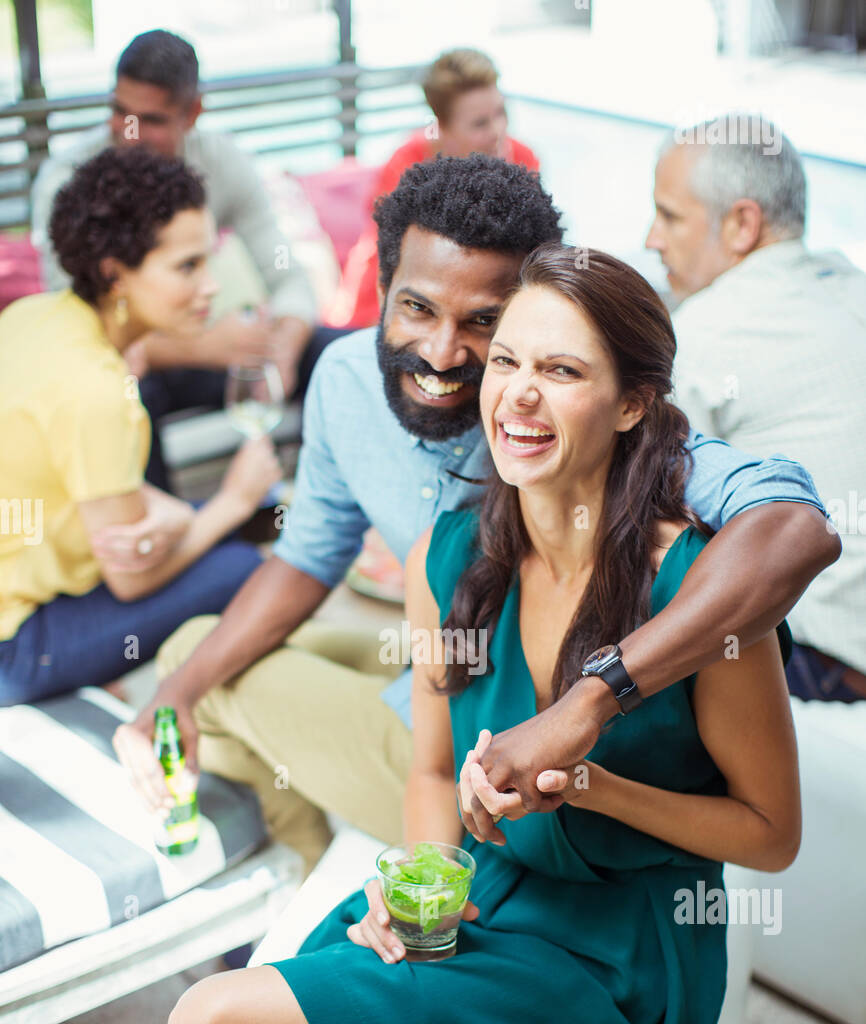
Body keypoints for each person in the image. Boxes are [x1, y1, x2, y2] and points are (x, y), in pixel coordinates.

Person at [161, 246, 801, 1024]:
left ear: (635, 402)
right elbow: (425, 770)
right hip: (478, 900)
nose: (515, 393)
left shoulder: (694, 595)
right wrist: (420, 894)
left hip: (617, 950)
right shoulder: (450, 556)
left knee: (201, 1023)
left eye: (562, 371)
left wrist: (591, 784)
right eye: (506, 361)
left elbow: (767, 833)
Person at [113, 154, 836, 881]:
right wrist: (172, 698)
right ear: (382, 288)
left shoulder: (572, 422)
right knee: (193, 670)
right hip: (447, 680)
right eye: (417, 307)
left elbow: (798, 528)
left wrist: (586, 705)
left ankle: (313, 874)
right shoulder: (347, 382)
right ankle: (307, 868)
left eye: (483, 324)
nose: (440, 351)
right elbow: (308, 555)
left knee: (204, 677)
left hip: (515, 752)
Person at [0, 146, 279, 706]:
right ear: (114, 274)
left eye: (207, 259)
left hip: (30, 573)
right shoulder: (98, 393)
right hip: (18, 644)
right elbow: (131, 580)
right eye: (187, 267)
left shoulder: (33, 316)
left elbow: (73, 470)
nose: (212, 287)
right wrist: (233, 499)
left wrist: (177, 516)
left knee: (213, 528)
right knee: (248, 565)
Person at [30, 28, 342, 496]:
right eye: (119, 111)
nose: (129, 133)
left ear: (192, 113)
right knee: (124, 392)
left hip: (219, 351)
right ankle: (162, 545)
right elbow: (79, 335)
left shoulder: (221, 160)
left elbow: (287, 274)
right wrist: (205, 348)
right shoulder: (68, 182)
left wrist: (282, 345)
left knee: (340, 356)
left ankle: (334, 514)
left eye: (151, 119)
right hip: (139, 360)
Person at [645, 113, 866, 704]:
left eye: (668, 215)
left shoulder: (708, 333)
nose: (651, 239)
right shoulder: (849, 282)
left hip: (824, 661)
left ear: (743, 223)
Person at [329, 47, 540, 329]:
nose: (498, 131)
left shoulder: (523, 158)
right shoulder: (406, 166)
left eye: (501, 112)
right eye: (480, 123)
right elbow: (393, 264)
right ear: (442, 127)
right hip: (387, 299)